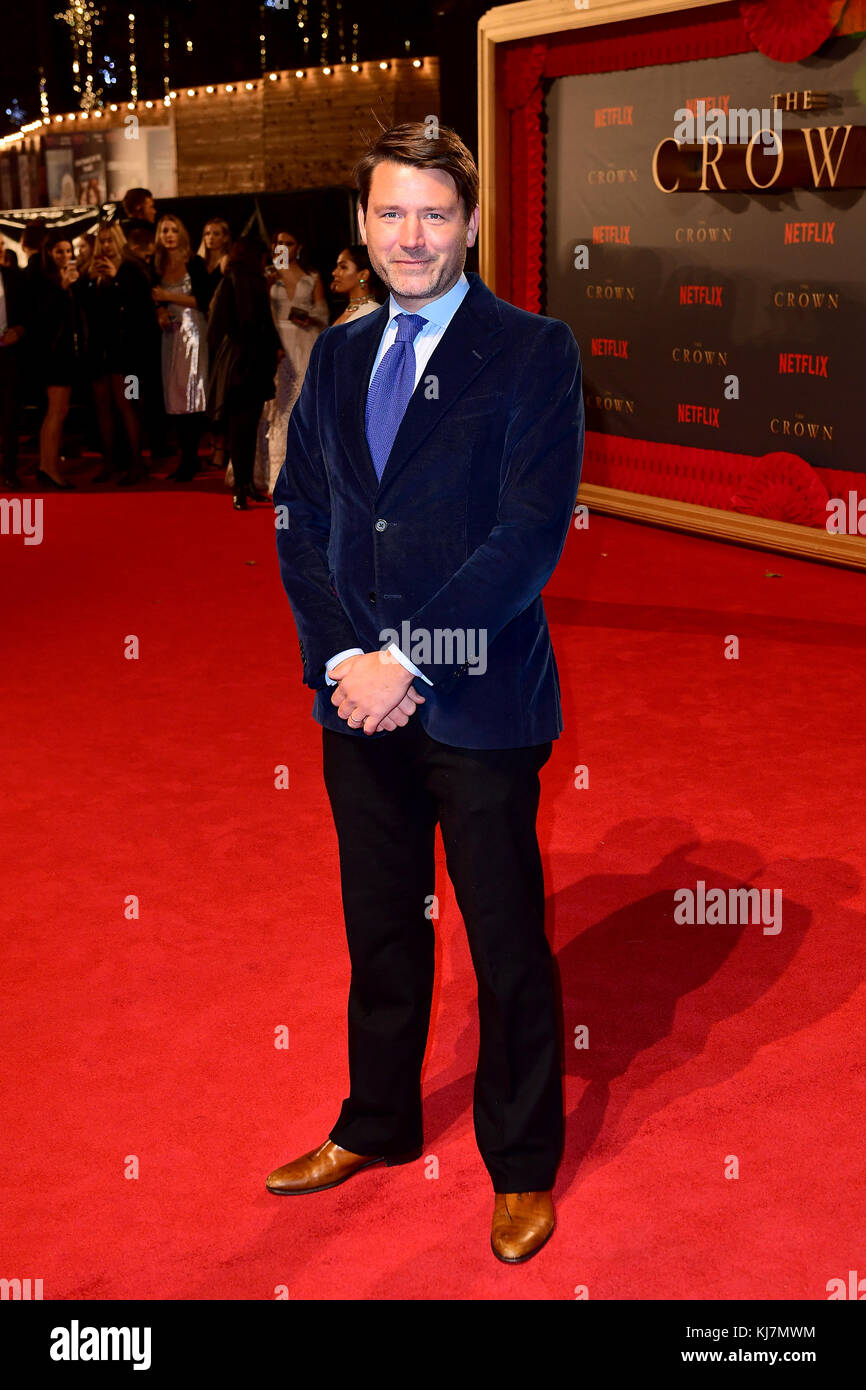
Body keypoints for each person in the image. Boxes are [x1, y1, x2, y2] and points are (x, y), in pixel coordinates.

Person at [267, 121, 584, 1264]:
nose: (411, 236)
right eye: (391, 213)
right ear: (362, 225)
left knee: (503, 938)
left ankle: (521, 1162)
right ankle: (376, 1122)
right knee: (380, 929)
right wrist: (344, 661)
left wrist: (408, 657)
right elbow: (303, 517)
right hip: (355, 702)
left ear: (470, 224)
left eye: (434, 214)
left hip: (479, 702)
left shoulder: (532, 349)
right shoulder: (342, 354)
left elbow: (526, 535)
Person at [75, 221, 155, 486]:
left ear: (119, 241)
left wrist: (117, 276)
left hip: (128, 352)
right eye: (103, 240)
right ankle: (109, 461)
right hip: (99, 351)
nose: (106, 245)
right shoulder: (92, 271)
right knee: (103, 407)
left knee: (128, 404)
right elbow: (84, 308)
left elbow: (140, 307)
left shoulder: (131, 269)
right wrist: (90, 282)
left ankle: (136, 463)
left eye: (111, 240)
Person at [206, 235, 282, 510]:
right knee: (243, 428)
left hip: (244, 364)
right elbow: (220, 328)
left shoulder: (239, 281)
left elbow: (215, 330)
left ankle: (244, 485)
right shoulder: (240, 282)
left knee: (244, 428)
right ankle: (242, 486)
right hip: (249, 364)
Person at [253, 228, 328, 493]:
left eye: (288, 242)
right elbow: (259, 314)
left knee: (306, 409)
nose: (282, 246)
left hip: (306, 343)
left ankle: (309, 478)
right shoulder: (268, 276)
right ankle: (277, 475)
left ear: (299, 246)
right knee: (279, 410)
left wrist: (308, 315)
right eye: (278, 242)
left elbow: (323, 312)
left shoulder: (312, 276)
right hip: (278, 346)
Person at [152, 213, 213, 481]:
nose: (168, 235)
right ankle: (185, 457)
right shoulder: (156, 264)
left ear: (182, 234)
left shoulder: (194, 262)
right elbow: (151, 299)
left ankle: (191, 458)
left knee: (193, 391)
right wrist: (160, 311)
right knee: (174, 394)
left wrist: (168, 296)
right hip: (170, 335)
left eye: (173, 230)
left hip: (193, 331)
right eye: (164, 230)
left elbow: (204, 299)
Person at [28, 229, 83, 489]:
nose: (65, 255)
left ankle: (47, 466)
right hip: (52, 355)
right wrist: (63, 288)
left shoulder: (67, 278)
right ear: (49, 253)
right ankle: (49, 469)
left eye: (68, 251)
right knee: (56, 412)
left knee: (58, 413)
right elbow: (43, 319)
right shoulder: (42, 280)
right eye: (59, 251)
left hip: (64, 353)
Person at [0, 253, 27, 487]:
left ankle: (10, 470)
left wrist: (19, 330)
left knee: (9, 415)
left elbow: (29, 313)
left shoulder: (13, 277)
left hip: (8, 354)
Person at [330, 244, 383, 325]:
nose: (334, 273)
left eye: (343, 267)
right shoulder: (345, 310)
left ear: (363, 275)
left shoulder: (372, 313)